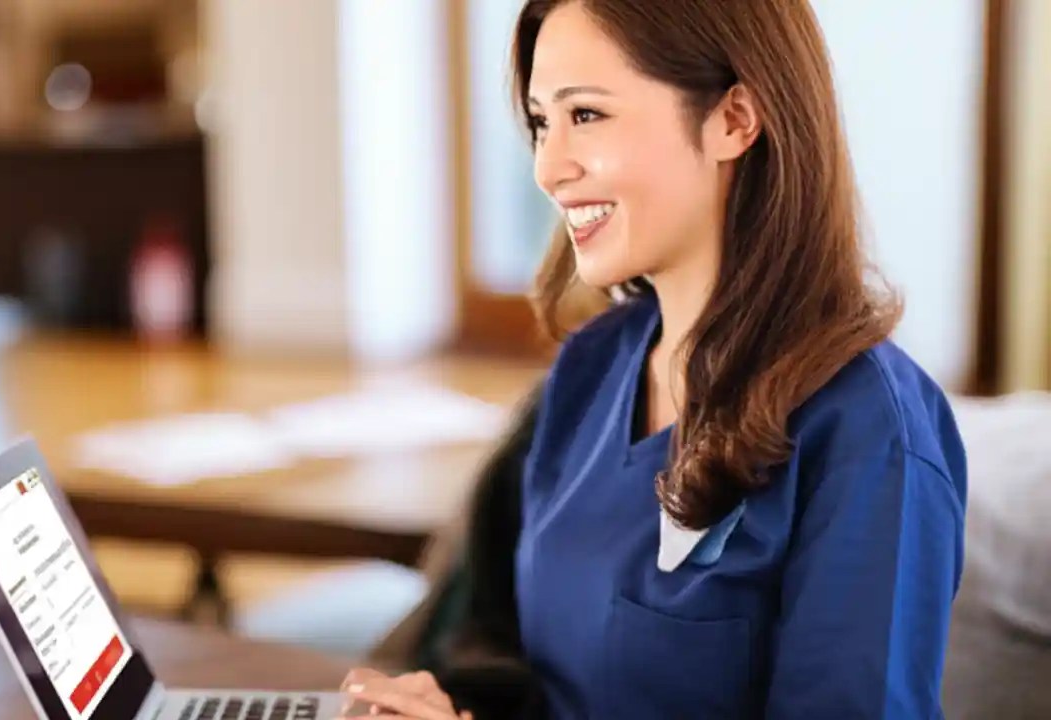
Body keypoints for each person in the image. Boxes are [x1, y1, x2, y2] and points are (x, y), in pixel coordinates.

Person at [340, 1, 967, 717]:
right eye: (543, 121)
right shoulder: (589, 371)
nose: (548, 167)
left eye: (587, 116)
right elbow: (528, 667)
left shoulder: (868, 428)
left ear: (735, 119)